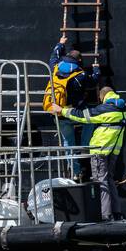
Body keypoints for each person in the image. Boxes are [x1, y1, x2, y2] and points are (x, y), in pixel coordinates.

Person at [61, 86, 126, 221]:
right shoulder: (121, 107)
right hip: (113, 150)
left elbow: (83, 116)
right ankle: (116, 212)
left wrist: (62, 110)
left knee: (101, 181)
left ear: (102, 96)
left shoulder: (106, 108)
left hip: (100, 150)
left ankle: (105, 214)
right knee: (109, 180)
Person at [43, 37, 98, 172]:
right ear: (79, 61)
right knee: (91, 121)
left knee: (68, 142)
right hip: (74, 112)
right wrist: (96, 70)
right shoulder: (80, 75)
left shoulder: (55, 67)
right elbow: (93, 82)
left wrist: (60, 44)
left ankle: (75, 171)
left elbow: (54, 56)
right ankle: (85, 146)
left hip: (58, 113)